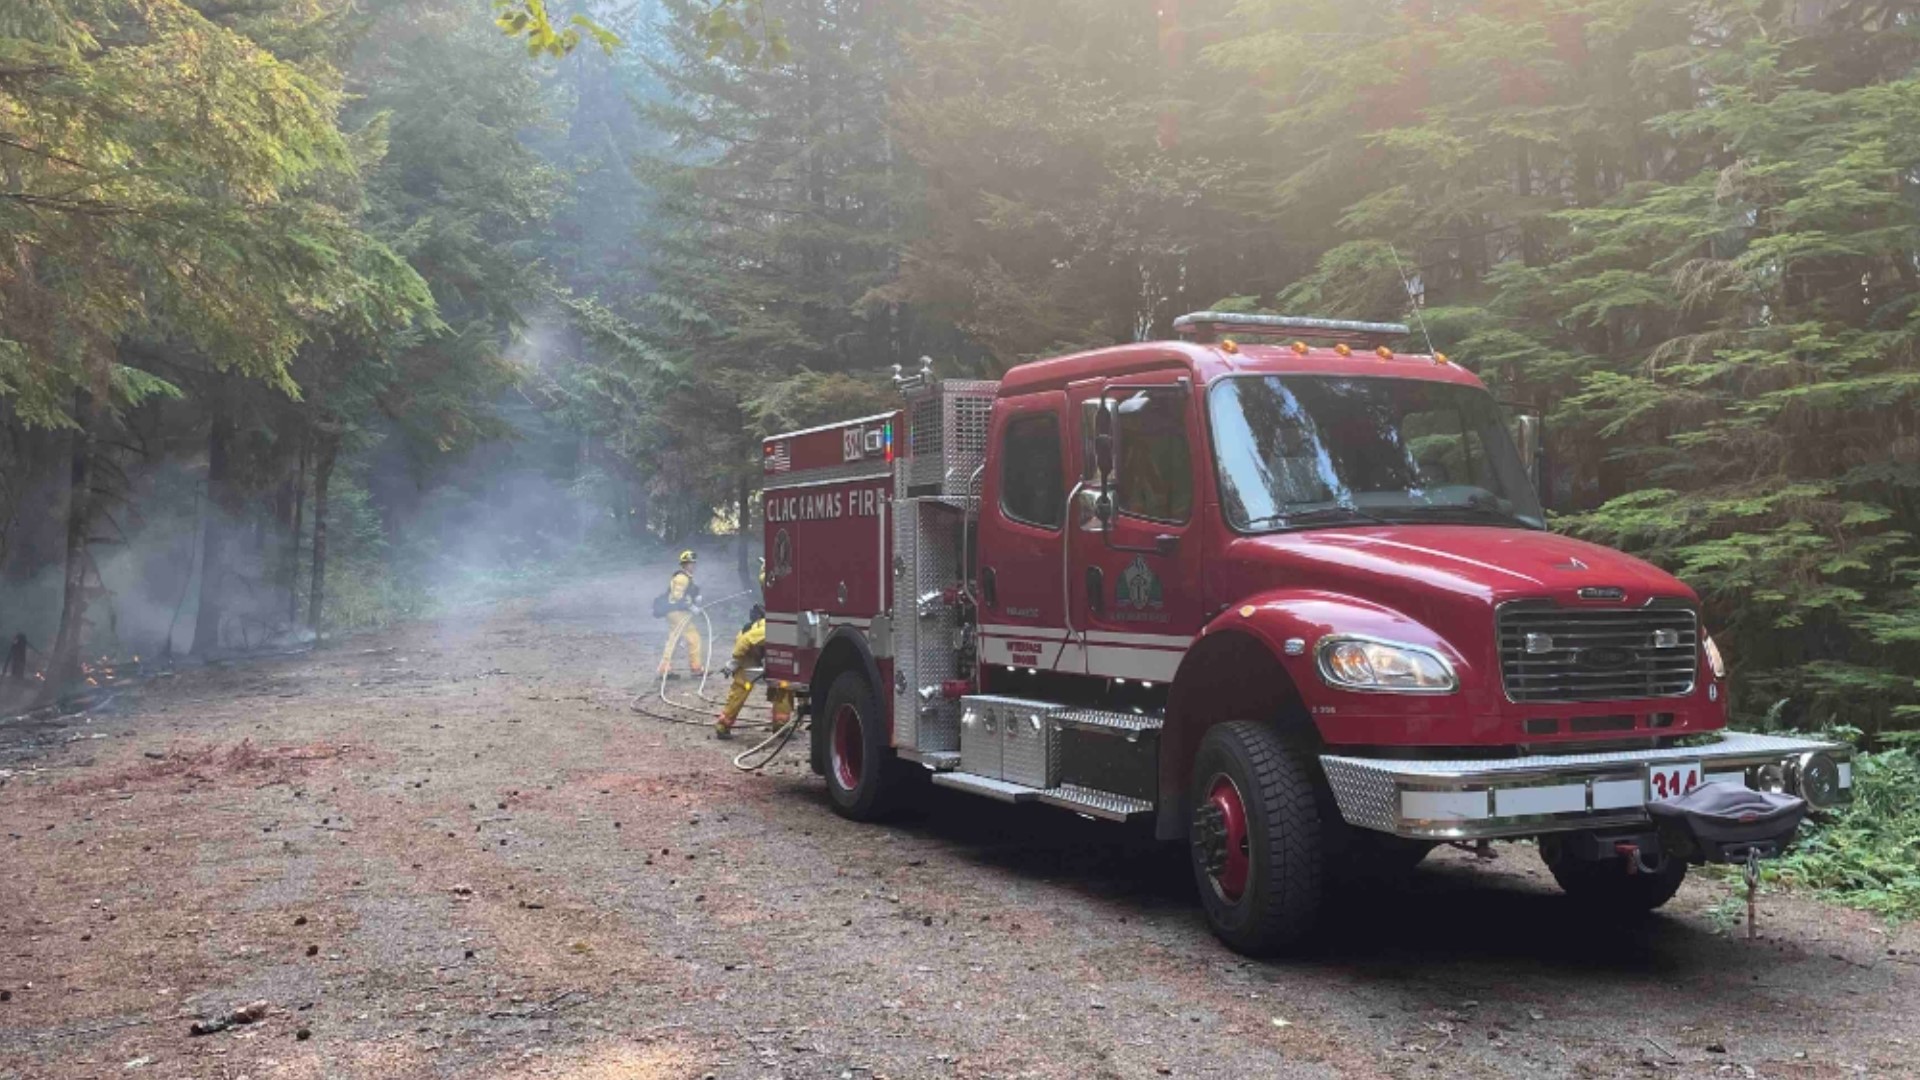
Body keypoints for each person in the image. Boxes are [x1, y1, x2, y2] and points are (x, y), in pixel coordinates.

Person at [714, 604, 794, 740]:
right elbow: (745, 640)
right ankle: (723, 725)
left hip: (764, 656)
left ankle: (781, 726)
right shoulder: (768, 627)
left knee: (782, 687)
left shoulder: (780, 627)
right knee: (741, 690)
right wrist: (736, 661)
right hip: (748, 657)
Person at [656, 551, 705, 681]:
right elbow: (677, 597)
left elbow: (686, 594)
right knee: (692, 638)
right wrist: (691, 607)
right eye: (689, 563)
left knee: (675, 640)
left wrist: (695, 598)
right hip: (677, 613)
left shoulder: (687, 578)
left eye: (693, 563)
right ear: (683, 565)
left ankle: (665, 669)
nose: (692, 566)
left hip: (678, 613)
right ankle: (695, 669)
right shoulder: (681, 578)